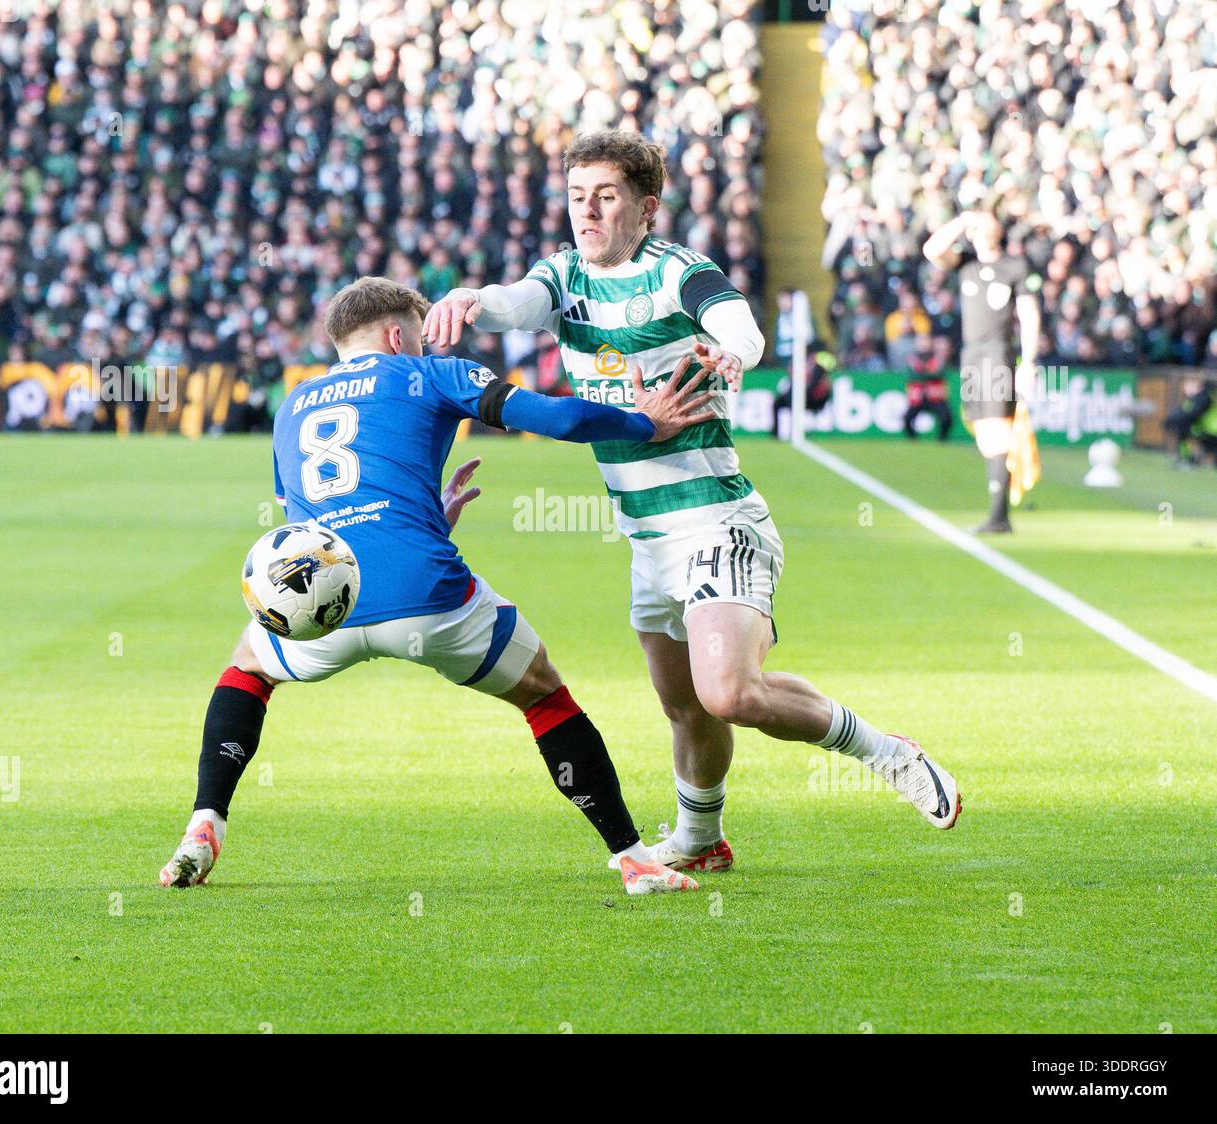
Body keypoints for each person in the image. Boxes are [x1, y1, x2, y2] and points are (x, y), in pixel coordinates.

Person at [424, 130, 961, 876]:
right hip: (647, 538)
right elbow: (513, 303)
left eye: (606, 197)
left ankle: (887, 753)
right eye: (578, 198)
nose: (588, 212)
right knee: (685, 705)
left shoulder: (677, 272)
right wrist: (467, 299)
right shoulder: (564, 277)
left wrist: (731, 352)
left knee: (730, 691)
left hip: (715, 518)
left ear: (645, 209)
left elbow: (737, 321)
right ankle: (701, 837)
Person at [159, 277, 719, 897]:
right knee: (543, 695)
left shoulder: (293, 405)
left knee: (248, 669)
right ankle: (633, 857)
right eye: (421, 338)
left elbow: (312, 508)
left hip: (323, 604)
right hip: (426, 595)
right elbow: (556, 417)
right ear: (398, 336)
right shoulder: (429, 374)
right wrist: (644, 423)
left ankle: (204, 821)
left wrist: (424, 512)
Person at [924, 210, 1041, 533]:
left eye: (978, 228)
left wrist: (1029, 361)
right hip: (971, 354)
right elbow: (931, 250)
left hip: (996, 353)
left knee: (997, 431)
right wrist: (962, 220)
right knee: (985, 435)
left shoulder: (1015, 267)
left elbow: (1029, 315)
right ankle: (998, 512)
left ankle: (999, 516)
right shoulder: (966, 263)